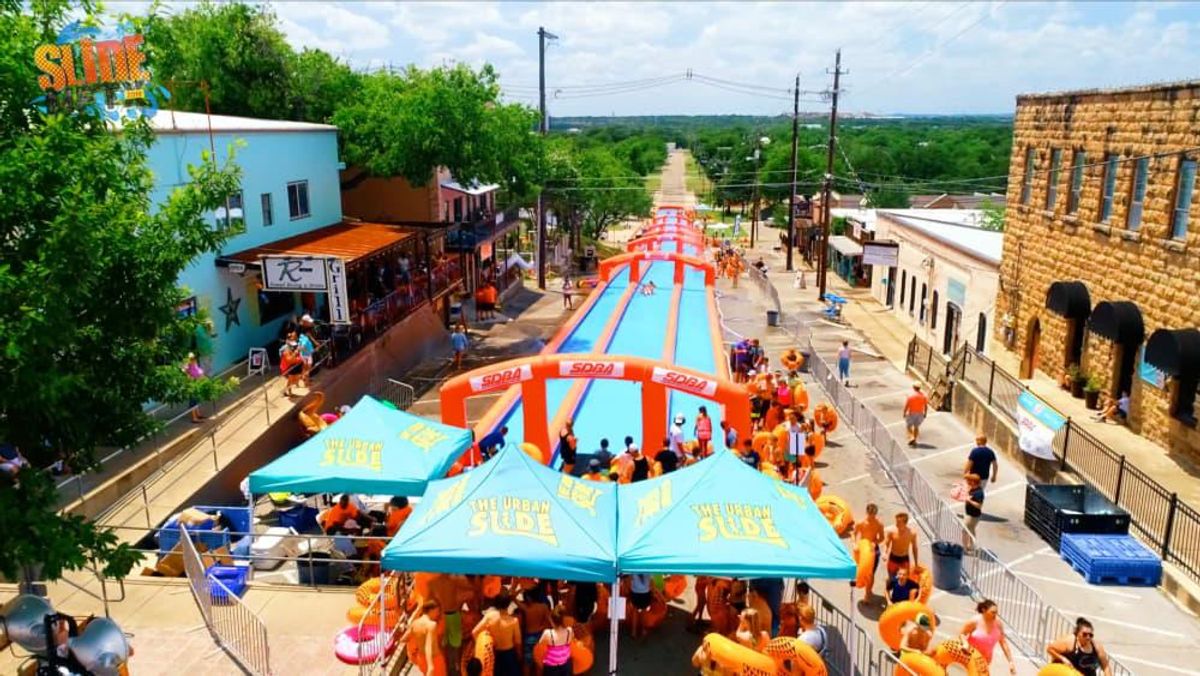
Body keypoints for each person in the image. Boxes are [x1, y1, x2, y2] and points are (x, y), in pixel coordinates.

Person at [471, 592, 522, 676]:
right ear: (508, 604)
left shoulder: (489, 616)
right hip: (509, 655)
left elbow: (474, 632)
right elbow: (518, 643)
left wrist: (482, 646)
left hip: (495, 655)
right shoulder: (514, 621)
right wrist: (519, 656)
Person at [961, 600, 1017, 675]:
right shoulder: (974, 621)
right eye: (993, 612)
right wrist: (964, 643)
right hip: (970, 658)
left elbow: (1003, 643)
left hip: (985, 661)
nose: (995, 615)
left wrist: (1010, 662)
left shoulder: (998, 624)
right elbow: (962, 634)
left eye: (996, 612)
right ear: (984, 610)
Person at [1046, 617, 1112, 676]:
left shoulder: (1097, 646)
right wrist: (1063, 659)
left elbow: (1106, 666)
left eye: (1091, 635)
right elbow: (1050, 649)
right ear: (1078, 633)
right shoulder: (1070, 641)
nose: (1088, 637)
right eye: (1085, 634)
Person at [404, 600, 447, 676]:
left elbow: (404, 639)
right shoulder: (432, 625)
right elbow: (428, 646)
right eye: (437, 611)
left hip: (421, 659)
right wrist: (431, 665)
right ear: (431, 610)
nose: (438, 613)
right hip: (434, 659)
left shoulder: (415, 623)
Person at [853, 503, 885, 602]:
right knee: (862, 569)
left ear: (876, 514)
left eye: (873, 514)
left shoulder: (879, 524)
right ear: (866, 512)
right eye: (870, 514)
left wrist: (875, 542)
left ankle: (867, 593)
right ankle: (861, 584)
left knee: (870, 574)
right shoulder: (861, 523)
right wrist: (854, 544)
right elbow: (853, 534)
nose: (871, 516)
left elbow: (882, 538)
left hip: (873, 550)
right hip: (862, 550)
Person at [519, 585, 552, 667]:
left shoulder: (526, 608)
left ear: (529, 597)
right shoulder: (544, 607)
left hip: (528, 638)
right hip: (540, 637)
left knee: (527, 664)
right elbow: (550, 622)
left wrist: (520, 588)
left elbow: (512, 597)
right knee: (539, 663)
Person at [884, 512, 919, 578]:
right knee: (892, 579)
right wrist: (885, 553)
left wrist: (916, 563)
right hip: (893, 558)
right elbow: (887, 543)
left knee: (904, 580)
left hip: (904, 559)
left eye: (898, 522)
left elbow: (914, 548)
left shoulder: (912, 533)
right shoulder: (891, 531)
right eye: (896, 521)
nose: (896, 524)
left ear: (904, 523)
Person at [628, 573, 655, 640]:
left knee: (634, 611)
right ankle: (643, 630)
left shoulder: (633, 567)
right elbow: (651, 581)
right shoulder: (648, 567)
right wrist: (653, 592)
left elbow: (629, 579)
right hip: (645, 592)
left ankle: (633, 632)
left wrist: (629, 589)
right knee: (644, 611)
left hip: (635, 591)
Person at [902, 383, 929, 447]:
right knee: (916, 427)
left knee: (908, 426)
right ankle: (914, 441)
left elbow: (907, 405)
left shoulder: (910, 396)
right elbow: (925, 406)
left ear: (913, 387)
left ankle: (912, 437)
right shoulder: (923, 396)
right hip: (920, 413)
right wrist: (925, 413)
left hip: (912, 413)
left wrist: (904, 413)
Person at [963, 473, 986, 546]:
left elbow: (979, 506)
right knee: (971, 530)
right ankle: (971, 545)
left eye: (969, 481)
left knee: (965, 531)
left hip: (972, 516)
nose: (967, 482)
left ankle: (965, 548)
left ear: (973, 482)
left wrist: (969, 501)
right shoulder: (973, 488)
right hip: (969, 514)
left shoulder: (979, 493)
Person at [184, 352, 207, 422]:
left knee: (196, 400)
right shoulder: (187, 366)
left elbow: (198, 371)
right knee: (193, 401)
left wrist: (202, 377)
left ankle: (198, 414)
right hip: (192, 385)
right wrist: (193, 378)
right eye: (191, 358)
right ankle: (194, 418)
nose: (193, 360)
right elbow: (187, 376)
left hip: (197, 383)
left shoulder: (194, 364)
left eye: (194, 358)